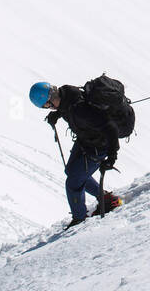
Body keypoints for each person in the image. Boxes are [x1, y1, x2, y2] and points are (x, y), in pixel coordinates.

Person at [30, 81, 127, 227]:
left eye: (46, 105)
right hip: (86, 141)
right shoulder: (67, 96)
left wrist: (112, 156)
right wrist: (56, 115)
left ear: (49, 100)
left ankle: (80, 219)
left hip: (97, 147)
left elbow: (110, 128)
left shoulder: (79, 109)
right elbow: (66, 108)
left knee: (73, 183)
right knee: (71, 171)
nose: (48, 108)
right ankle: (107, 199)